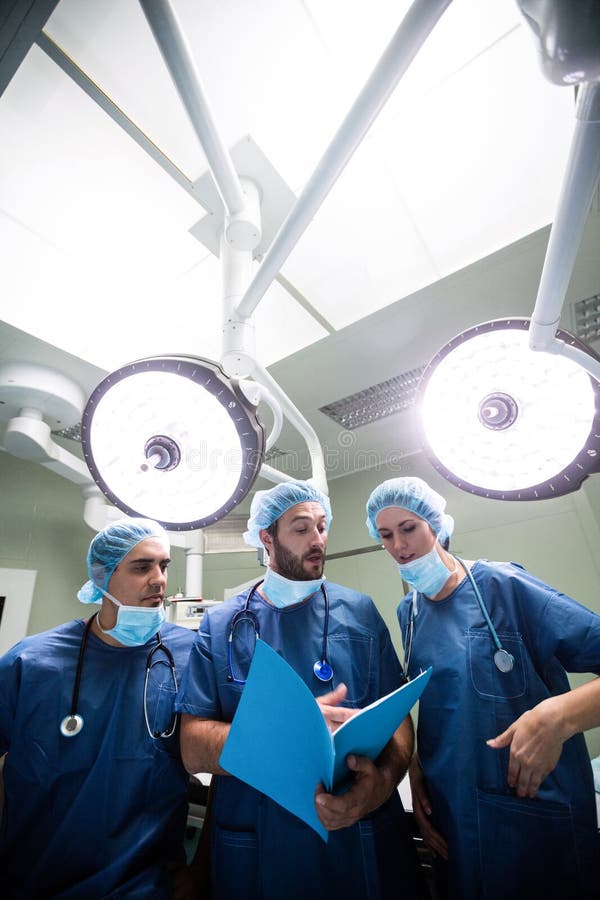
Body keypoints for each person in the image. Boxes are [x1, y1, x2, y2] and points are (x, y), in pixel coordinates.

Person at [175, 480, 420, 900]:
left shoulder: (359, 612)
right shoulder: (222, 626)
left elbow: (398, 721)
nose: (318, 540)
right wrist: (286, 732)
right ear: (267, 538)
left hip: (356, 828)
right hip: (258, 835)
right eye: (302, 528)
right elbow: (192, 746)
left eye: (323, 527)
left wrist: (381, 783)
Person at [365, 475, 600, 900]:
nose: (399, 546)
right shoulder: (409, 612)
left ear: (435, 523)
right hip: (453, 818)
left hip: (534, 814)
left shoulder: (503, 587)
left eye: (409, 528)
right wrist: (418, 769)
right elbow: (444, 703)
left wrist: (560, 717)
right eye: (385, 535)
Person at [0, 517, 197, 899]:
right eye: (142, 567)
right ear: (102, 575)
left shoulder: (189, 656)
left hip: (143, 883)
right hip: (33, 876)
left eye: (164, 565)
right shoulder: (32, 662)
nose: (158, 579)